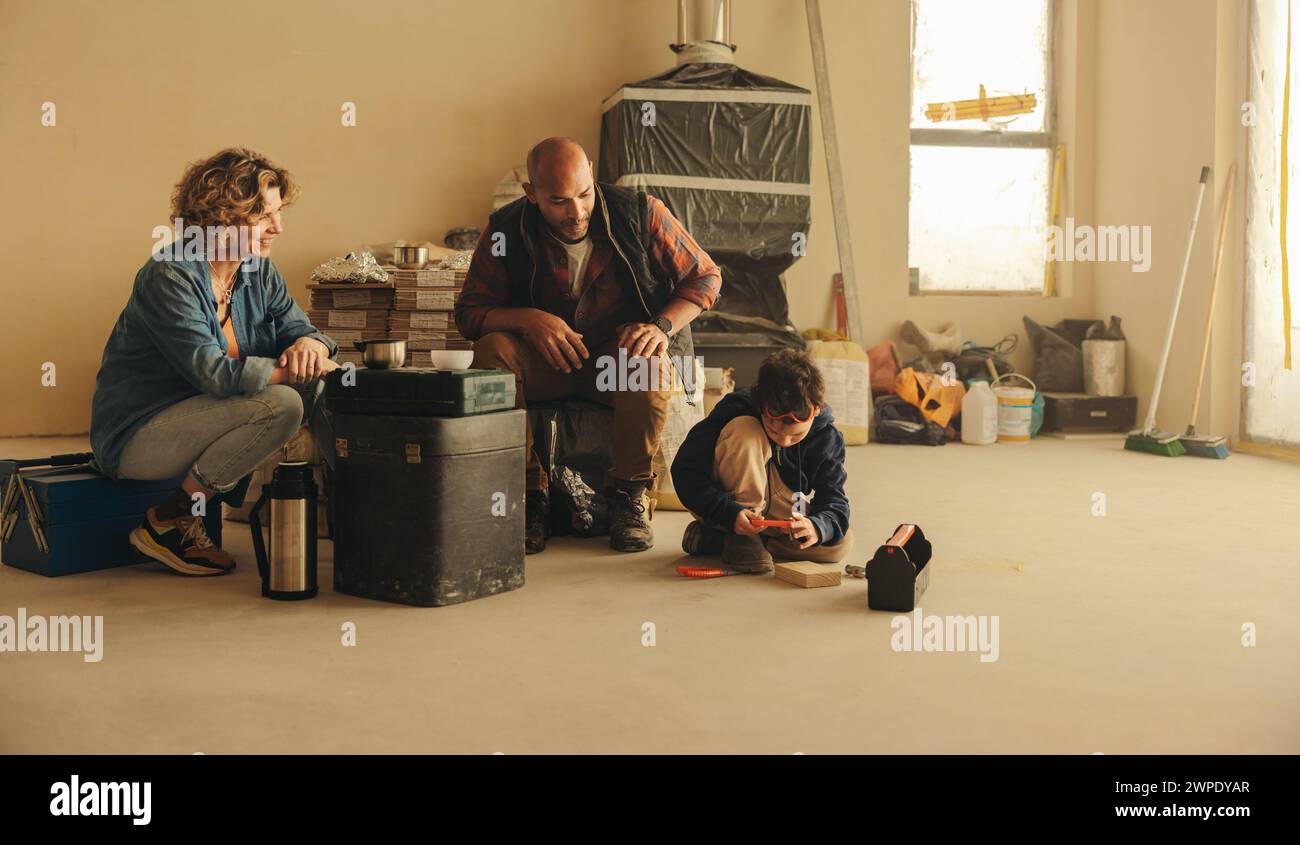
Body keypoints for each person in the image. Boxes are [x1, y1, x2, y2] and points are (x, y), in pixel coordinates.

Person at [455, 137, 721, 554]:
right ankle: (528, 496)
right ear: (532, 194)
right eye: (559, 201)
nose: (576, 212)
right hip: (546, 364)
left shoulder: (641, 213)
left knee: (647, 363)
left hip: (613, 367)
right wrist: (529, 319)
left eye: (583, 194)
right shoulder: (505, 228)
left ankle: (629, 497)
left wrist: (661, 327)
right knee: (492, 351)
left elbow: (706, 278)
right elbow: (470, 313)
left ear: (592, 175)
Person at [90, 148, 339, 577]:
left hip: (205, 417)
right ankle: (171, 520)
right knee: (283, 403)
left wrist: (311, 349)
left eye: (279, 214)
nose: (278, 228)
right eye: (265, 216)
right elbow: (213, 374)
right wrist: (295, 368)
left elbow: (303, 328)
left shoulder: (257, 270)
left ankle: (348, 503)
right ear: (224, 215)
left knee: (316, 385)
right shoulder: (170, 275)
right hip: (138, 434)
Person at [671, 349, 853, 573]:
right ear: (760, 404)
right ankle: (742, 539)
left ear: (816, 410)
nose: (785, 441)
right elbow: (685, 471)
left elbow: (834, 500)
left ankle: (722, 541)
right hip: (729, 503)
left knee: (838, 543)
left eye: (795, 435)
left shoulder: (826, 436)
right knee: (745, 429)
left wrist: (817, 526)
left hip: (778, 505)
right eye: (773, 430)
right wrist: (727, 512)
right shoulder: (735, 409)